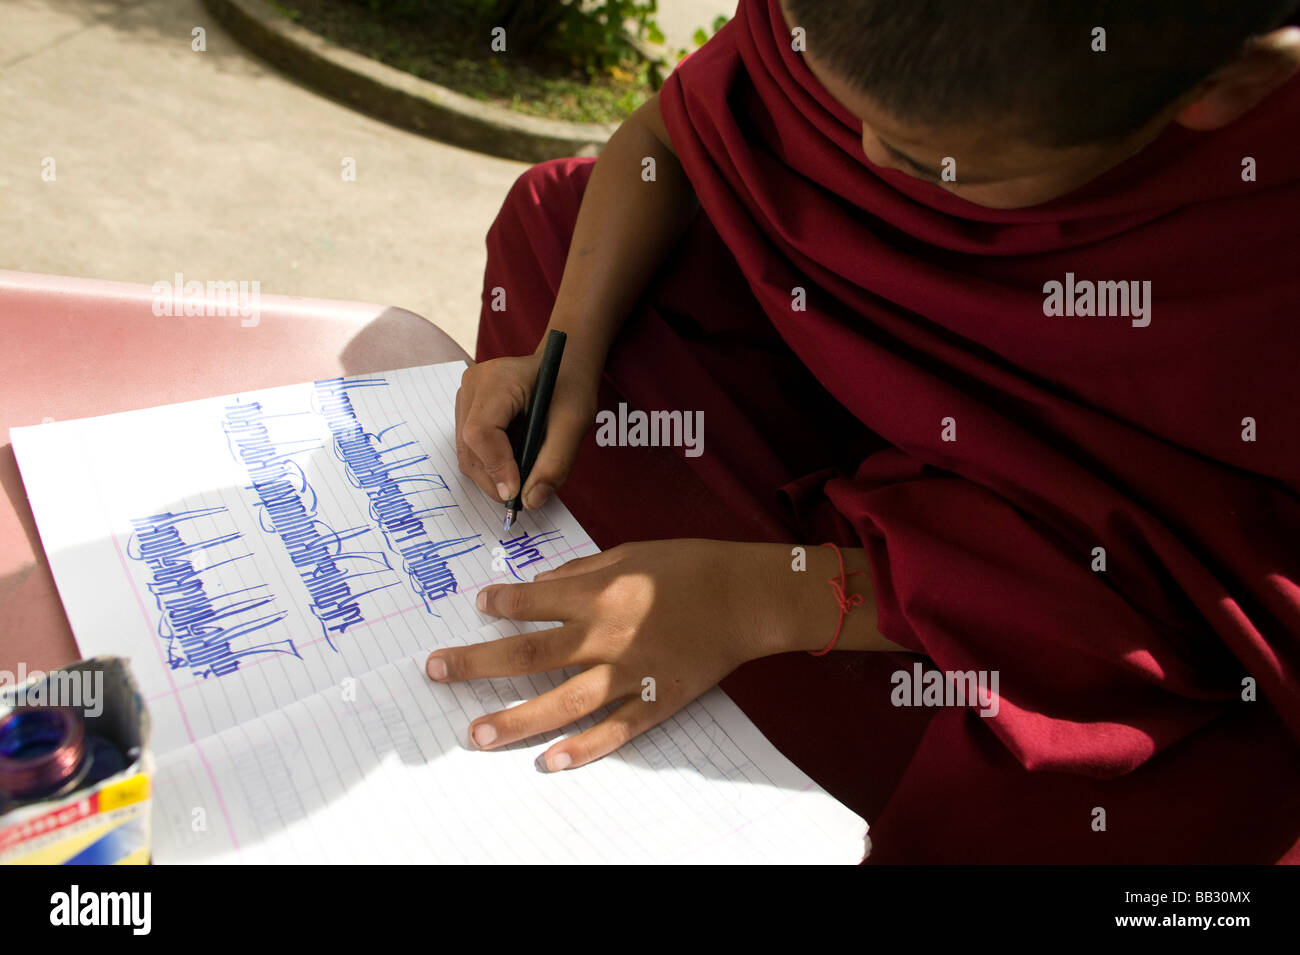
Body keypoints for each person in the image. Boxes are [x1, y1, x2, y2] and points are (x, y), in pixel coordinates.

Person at [426, 0, 1300, 862]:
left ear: (1228, 87)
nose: (857, 157)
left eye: (927, 162)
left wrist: (764, 598)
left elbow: (1219, 593)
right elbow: (673, 136)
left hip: (1021, 574)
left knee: (1127, 793)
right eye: (822, 92)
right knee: (561, 223)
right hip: (817, 396)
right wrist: (565, 355)